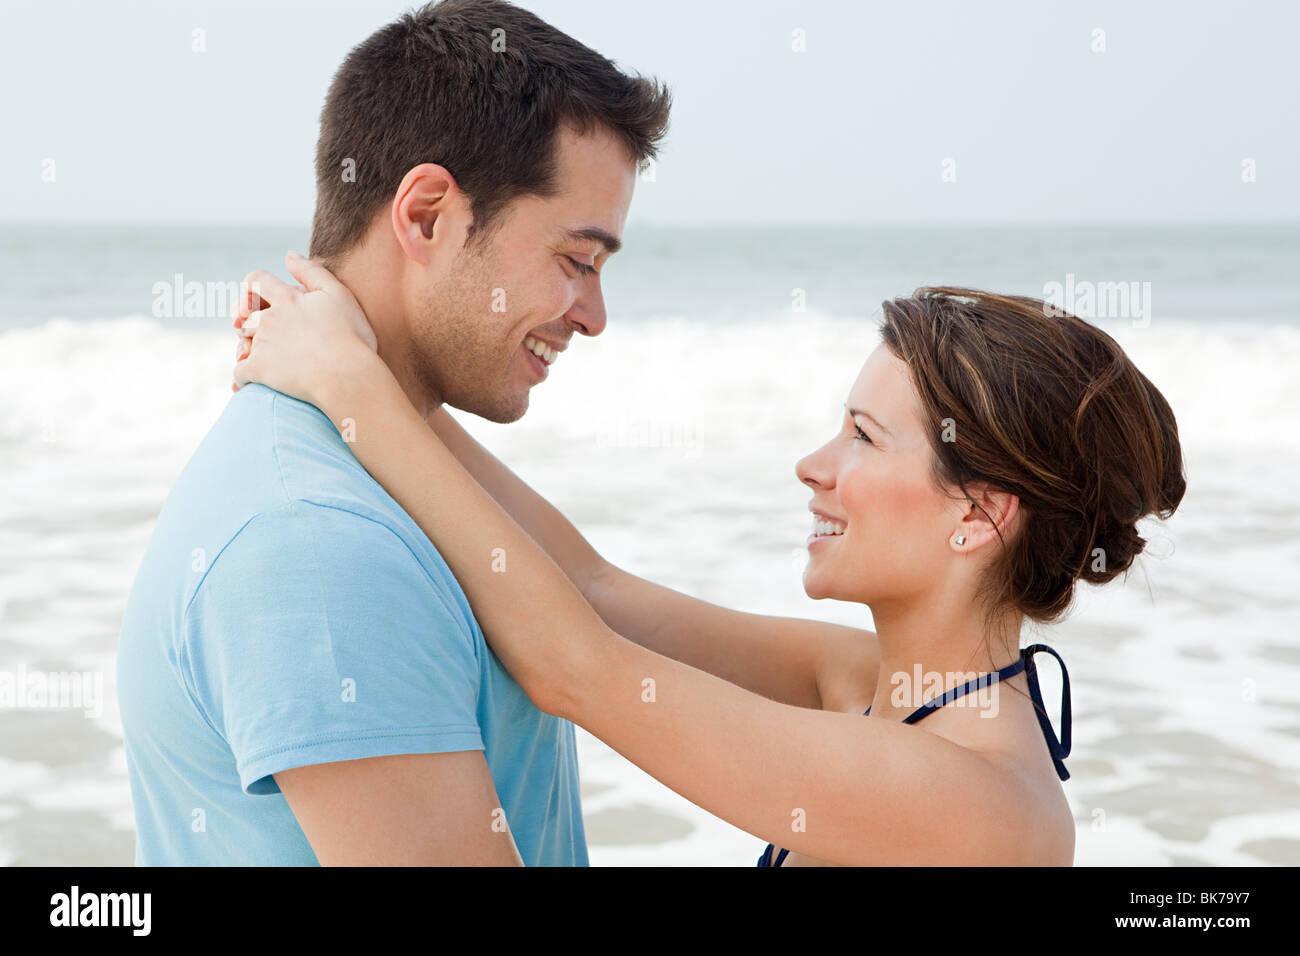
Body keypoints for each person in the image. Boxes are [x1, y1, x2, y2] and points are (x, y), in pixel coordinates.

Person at [231, 258, 1187, 865]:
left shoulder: (987, 809)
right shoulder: (866, 683)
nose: (814, 467)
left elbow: (581, 671)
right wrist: (384, 369)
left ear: (978, 515)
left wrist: (352, 384)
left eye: (861, 437)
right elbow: (595, 597)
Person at [115, 0, 671, 865]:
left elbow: (593, 598)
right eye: (576, 261)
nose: (593, 317)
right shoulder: (313, 542)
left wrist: (358, 387)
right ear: (425, 217)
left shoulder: (388, 465)